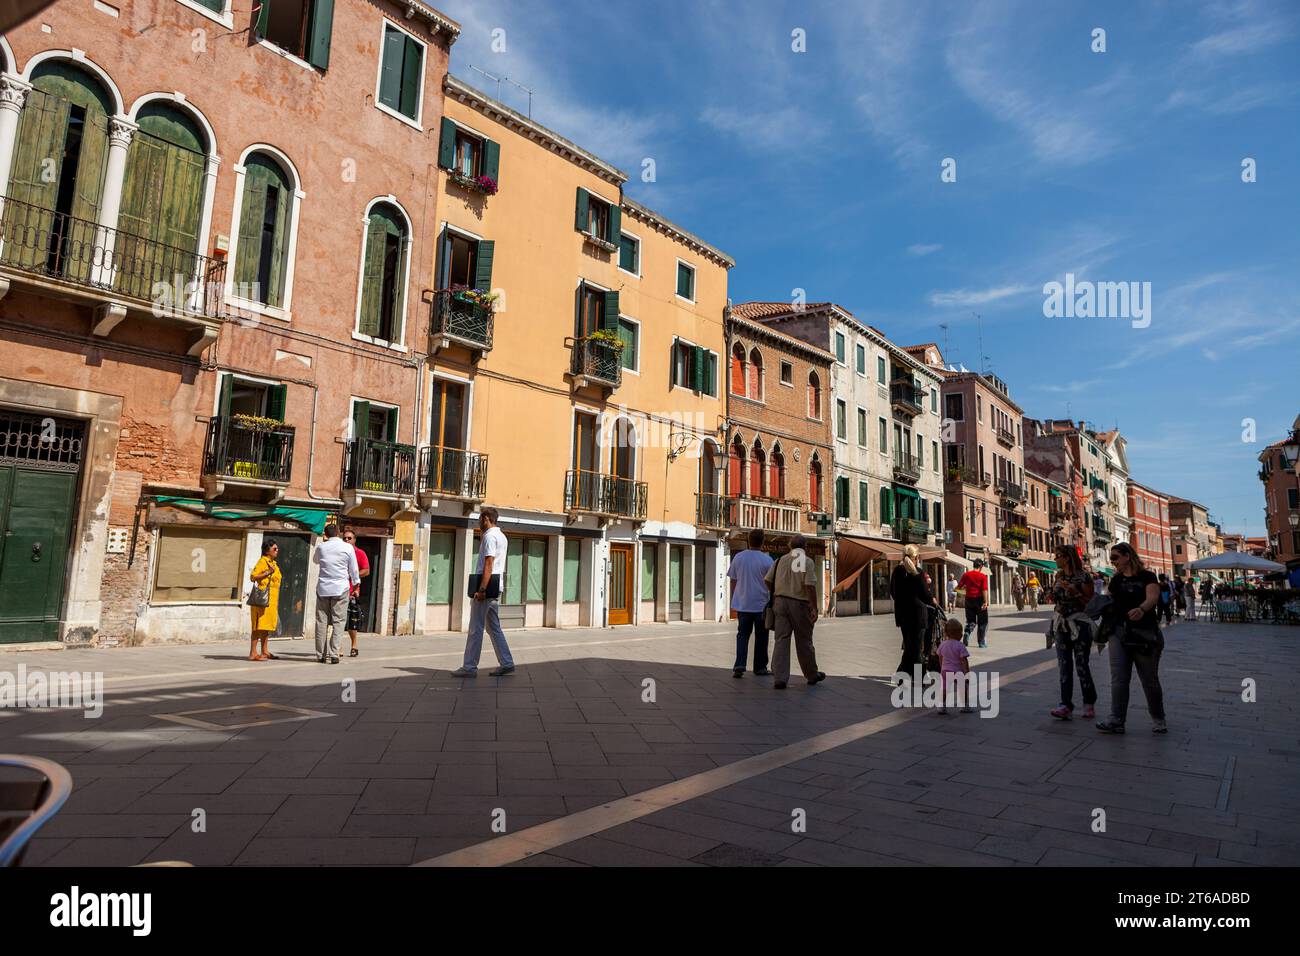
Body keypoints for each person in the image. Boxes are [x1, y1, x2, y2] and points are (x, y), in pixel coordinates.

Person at [1097, 541, 1167, 735]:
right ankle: (1116, 720)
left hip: (1144, 633)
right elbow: (1108, 599)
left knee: (1149, 679)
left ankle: (1159, 719)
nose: (1113, 562)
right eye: (1111, 558)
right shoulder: (1116, 580)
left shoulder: (1147, 576)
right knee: (1118, 678)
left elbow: (1152, 597)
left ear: (1128, 556)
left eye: (1115, 558)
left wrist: (1142, 609)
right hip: (1119, 633)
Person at [452, 507, 515, 677]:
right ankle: (507, 662)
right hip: (496, 587)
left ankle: (469, 667)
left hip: (486, 588)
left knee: (475, 627)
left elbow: (489, 563)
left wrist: (481, 590)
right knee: (494, 627)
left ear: (486, 518)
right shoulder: (502, 536)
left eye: (480, 519)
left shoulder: (490, 536)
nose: (479, 522)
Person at [763, 534, 825, 690]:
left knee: (781, 640)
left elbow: (767, 580)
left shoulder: (779, 561)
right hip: (799, 604)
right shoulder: (807, 561)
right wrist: (814, 607)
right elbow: (809, 585)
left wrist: (776, 593)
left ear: (789, 546)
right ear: (804, 547)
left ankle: (780, 678)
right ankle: (811, 674)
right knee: (804, 641)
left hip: (780, 602)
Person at [1048, 544, 1097, 720]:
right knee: (1064, 665)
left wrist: (1073, 592)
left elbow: (1089, 601)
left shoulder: (1084, 577)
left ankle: (1089, 702)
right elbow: (1055, 598)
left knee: (1082, 664)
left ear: (1067, 557)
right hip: (1061, 625)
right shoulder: (1058, 575)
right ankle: (1065, 704)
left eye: (1058, 556)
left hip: (1080, 624)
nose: (1055, 559)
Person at [728, 529, 774, 678]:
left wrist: (737, 597)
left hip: (743, 604)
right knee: (762, 636)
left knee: (742, 635)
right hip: (761, 604)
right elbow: (772, 583)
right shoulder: (767, 560)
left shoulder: (738, 558)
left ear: (749, 540)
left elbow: (733, 580)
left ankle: (740, 664)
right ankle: (760, 667)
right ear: (762, 542)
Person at [889, 543, 937, 681]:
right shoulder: (918, 572)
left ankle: (901, 675)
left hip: (903, 615)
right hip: (918, 615)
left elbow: (893, 592)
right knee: (915, 648)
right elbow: (925, 595)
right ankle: (917, 678)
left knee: (910, 646)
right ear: (916, 557)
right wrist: (932, 600)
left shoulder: (897, 571)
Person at [313, 524, 360, 664]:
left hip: (323, 588)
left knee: (321, 622)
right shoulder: (347, 547)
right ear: (338, 533)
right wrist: (356, 584)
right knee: (339, 622)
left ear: (326, 535)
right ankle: (334, 654)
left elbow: (315, 561)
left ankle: (321, 655)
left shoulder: (321, 547)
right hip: (341, 588)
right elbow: (354, 569)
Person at [248, 539, 282, 661]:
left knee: (266, 626)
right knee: (258, 626)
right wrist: (267, 572)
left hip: (271, 601)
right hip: (261, 600)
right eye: (274, 549)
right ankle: (253, 653)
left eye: (277, 548)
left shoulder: (273, 562)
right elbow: (253, 576)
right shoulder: (263, 562)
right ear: (267, 551)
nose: (277, 550)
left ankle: (264, 651)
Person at [341, 528, 370, 657]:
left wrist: (353, 574)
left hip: (353, 592)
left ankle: (354, 645)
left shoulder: (360, 553)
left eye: (349, 538)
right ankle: (338, 648)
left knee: (352, 622)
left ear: (354, 540)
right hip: (340, 591)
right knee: (339, 622)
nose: (346, 540)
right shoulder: (340, 552)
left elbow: (366, 570)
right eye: (344, 538)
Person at [936, 618, 973, 714]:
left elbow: (940, 656)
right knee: (962, 688)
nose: (961, 634)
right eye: (960, 632)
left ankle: (941, 706)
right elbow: (964, 661)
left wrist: (942, 666)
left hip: (945, 671)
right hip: (957, 671)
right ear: (956, 633)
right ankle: (964, 706)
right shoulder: (960, 646)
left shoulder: (943, 644)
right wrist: (967, 673)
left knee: (944, 688)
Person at [957, 559, 990, 648]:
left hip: (969, 600)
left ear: (973, 565)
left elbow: (958, 587)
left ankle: (967, 632)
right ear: (981, 566)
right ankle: (981, 642)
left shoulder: (966, 575)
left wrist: (966, 592)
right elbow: (984, 590)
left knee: (971, 620)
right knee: (982, 622)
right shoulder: (982, 576)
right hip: (979, 600)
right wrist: (986, 602)